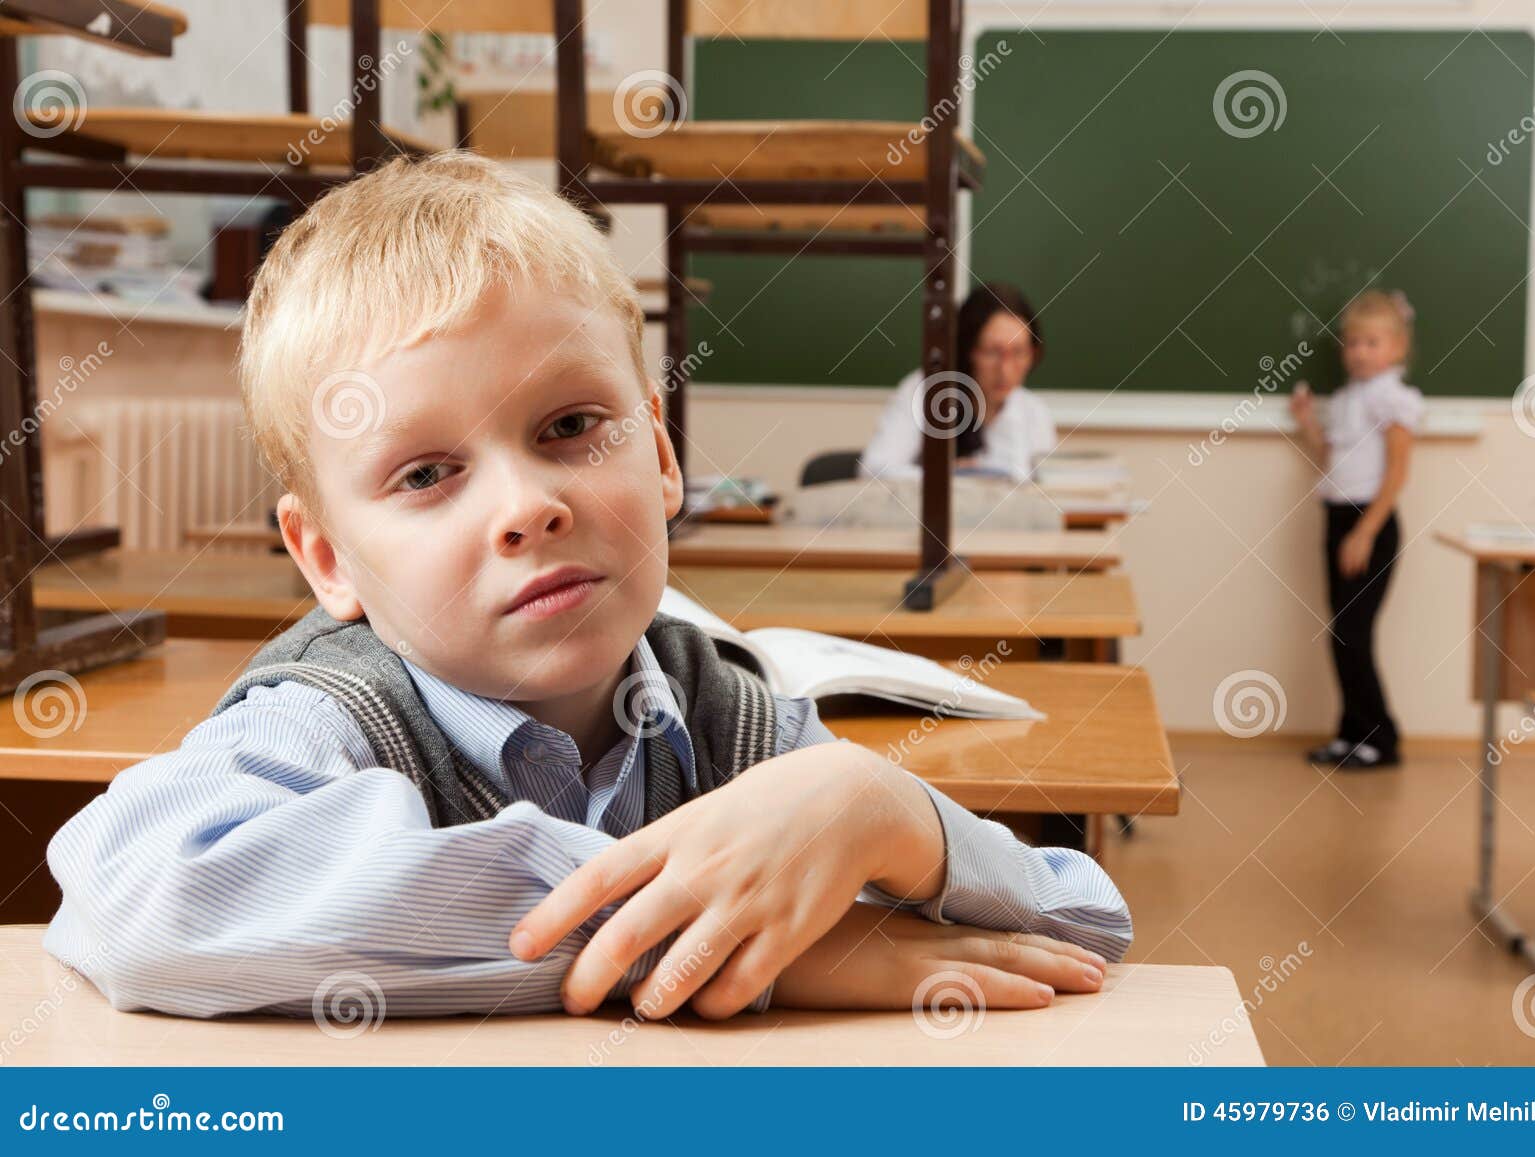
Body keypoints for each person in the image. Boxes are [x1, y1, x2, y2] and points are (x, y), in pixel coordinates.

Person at [43, 153, 1131, 1021]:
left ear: (660, 458)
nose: (527, 505)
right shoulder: (336, 712)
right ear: (325, 557)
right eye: (426, 474)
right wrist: (710, 934)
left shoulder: (729, 718)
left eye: (569, 426)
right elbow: (147, 891)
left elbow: (1085, 927)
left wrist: (882, 808)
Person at [1290, 289, 1423, 771]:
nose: (1360, 352)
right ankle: (1351, 735)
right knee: (1341, 633)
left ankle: (1380, 739)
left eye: (1372, 342)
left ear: (1396, 348)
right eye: (1353, 343)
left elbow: (1397, 472)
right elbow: (1329, 455)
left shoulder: (1394, 397)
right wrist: (1307, 422)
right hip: (1338, 518)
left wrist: (1366, 531)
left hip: (1371, 522)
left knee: (1353, 632)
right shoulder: (1348, 398)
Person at [860, 282, 1055, 482]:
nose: (1005, 370)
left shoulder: (1034, 411)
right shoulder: (927, 390)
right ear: (967, 350)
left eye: (1018, 353)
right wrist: (947, 478)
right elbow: (873, 469)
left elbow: (1042, 486)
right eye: (992, 352)